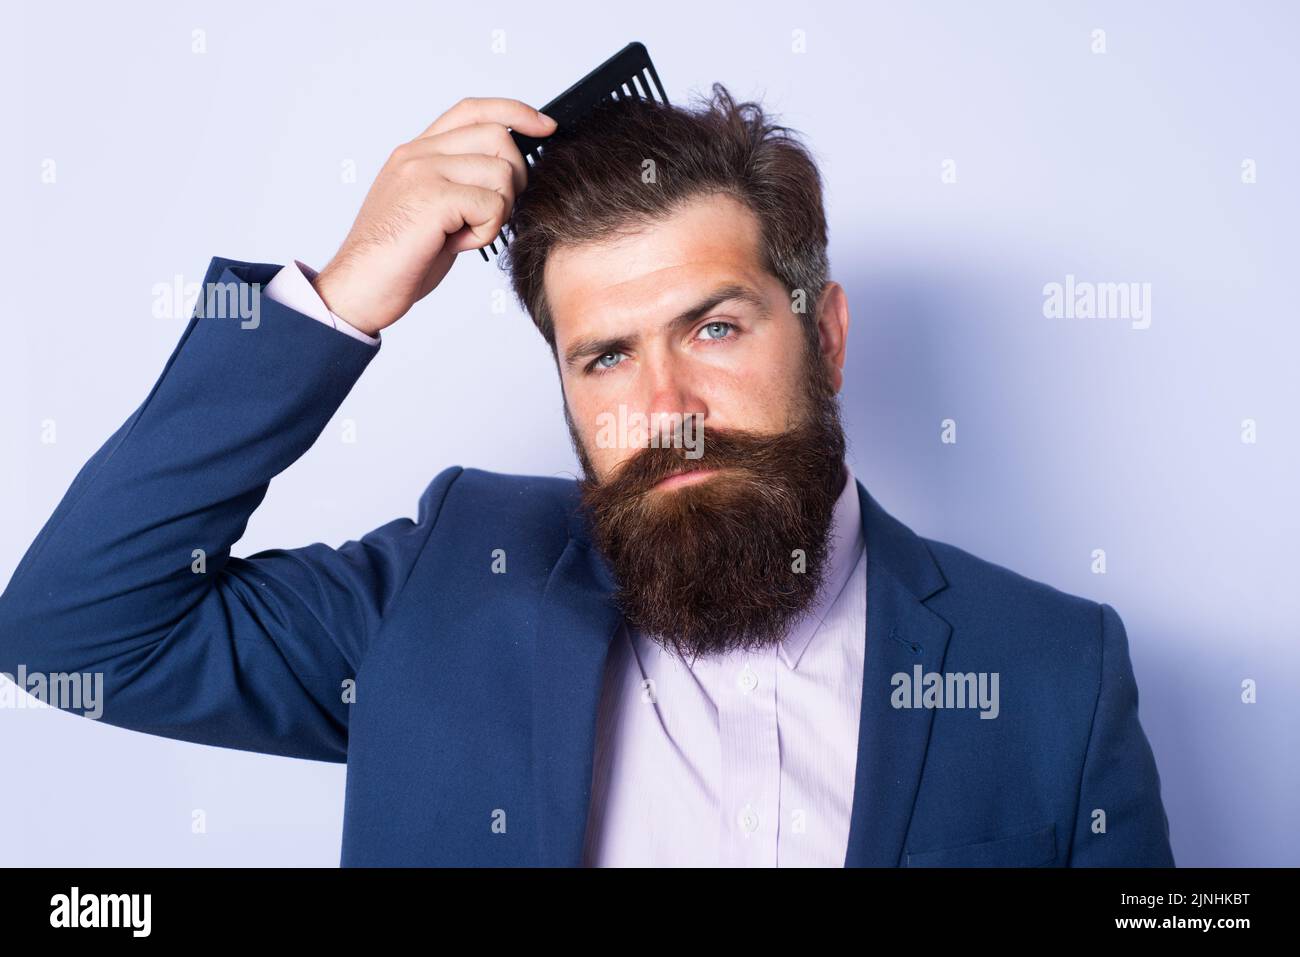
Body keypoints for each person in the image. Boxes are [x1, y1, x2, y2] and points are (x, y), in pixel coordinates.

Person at [0, 86, 1174, 867]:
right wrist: (349, 291)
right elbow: (72, 635)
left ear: (824, 337)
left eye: (714, 327)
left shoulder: (1054, 671)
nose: (663, 414)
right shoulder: (444, 592)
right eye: (605, 357)